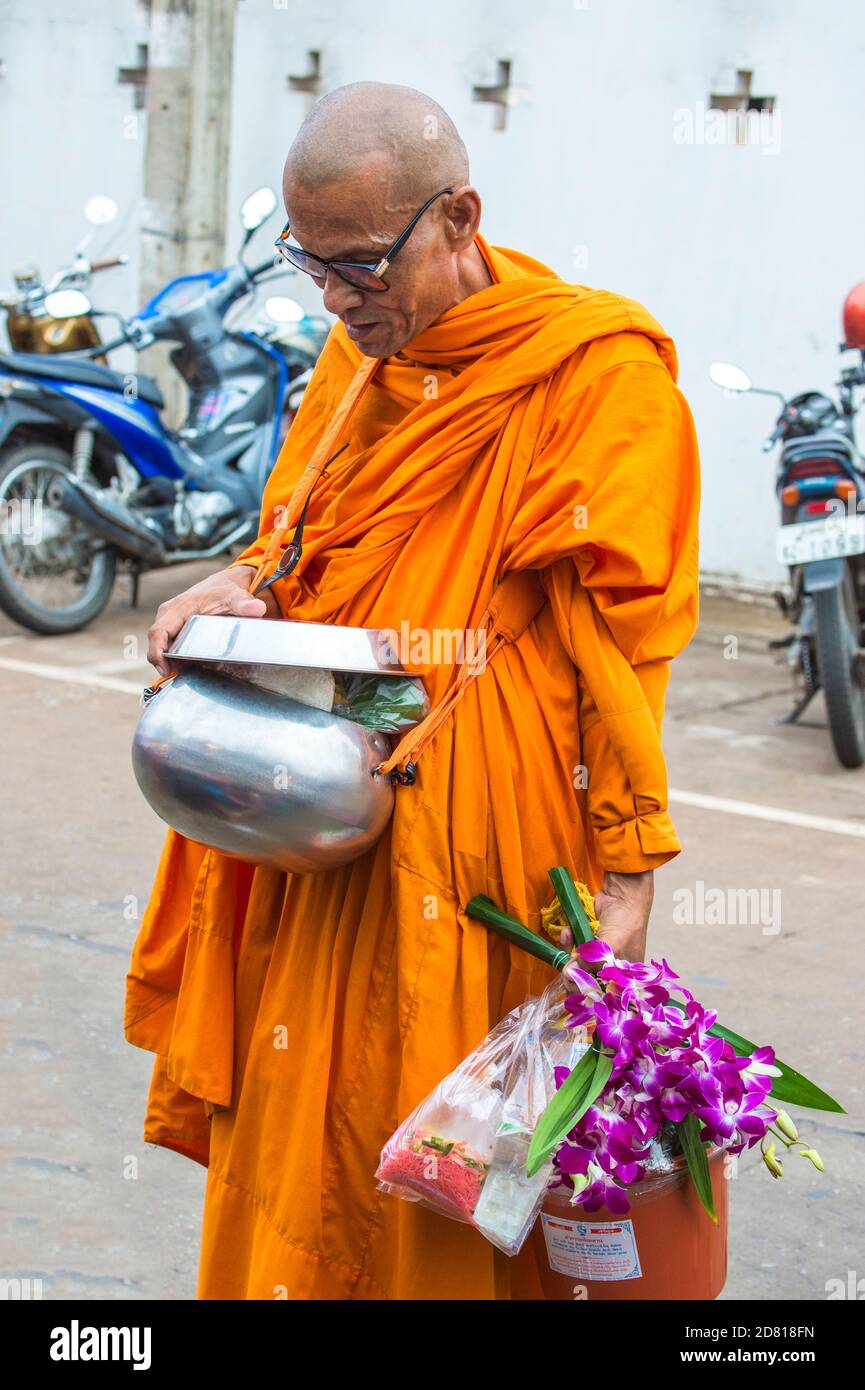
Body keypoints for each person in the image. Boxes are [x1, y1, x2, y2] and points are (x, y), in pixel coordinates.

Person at [127, 81, 700, 1300]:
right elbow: (300, 545)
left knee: (458, 1151)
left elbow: (622, 648)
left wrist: (629, 871)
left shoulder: (595, 375)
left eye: (362, 266)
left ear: (458, 218)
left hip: (499, 830)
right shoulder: (351, 360)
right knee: (305, 1134)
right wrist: (240, 591)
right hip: (329, 820)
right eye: (312, 267)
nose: (338, 299)